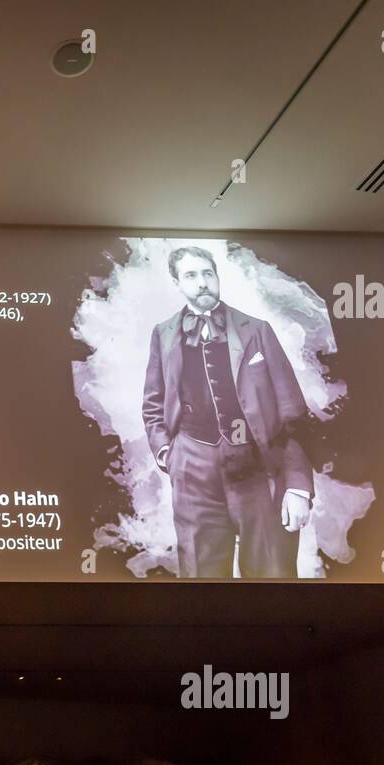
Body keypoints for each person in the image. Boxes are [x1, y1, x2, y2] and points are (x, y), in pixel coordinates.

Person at [141, 246, 313, 578]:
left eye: (208, 273)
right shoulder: (162, 334)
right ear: (177, 282)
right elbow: (152, 404)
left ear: (217, 276)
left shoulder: (257, 330)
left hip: (258, 469)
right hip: (193, 471)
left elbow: (293, 413)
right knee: (201, 582)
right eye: (191, 275)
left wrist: (297, 485)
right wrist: (168, 454)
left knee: (272, 577)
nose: (202, 282)